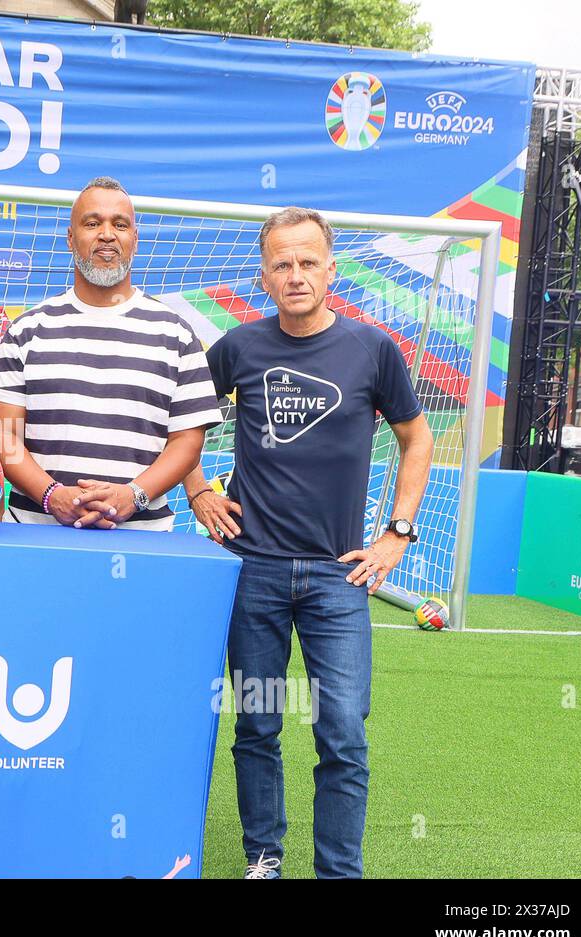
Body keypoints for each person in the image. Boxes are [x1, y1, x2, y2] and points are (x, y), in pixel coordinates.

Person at [184, 206, 434, 879]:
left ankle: (337, 873)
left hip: (337, 577)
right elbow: (183, 424)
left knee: (343, 733)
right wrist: (199, 491)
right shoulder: (238, 348)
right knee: (257, 727)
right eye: (281, 264)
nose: (295, 275)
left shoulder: (372, 350)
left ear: (330, 268)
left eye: (307, 262)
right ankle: (264, 860)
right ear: (264, 276)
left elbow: (417, 438)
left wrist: (397, 535)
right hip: (252, 573)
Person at [0, 176, 222, 530]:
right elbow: (2, 434)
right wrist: (52, 496)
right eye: (92, 223)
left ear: (135, 240)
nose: (107, 234)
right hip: (36, 539)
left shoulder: (176, 334)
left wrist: (134, 496)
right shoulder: (25, 331)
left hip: (143, 543)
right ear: (70, 238)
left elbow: (187, 441)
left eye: (120, 224)